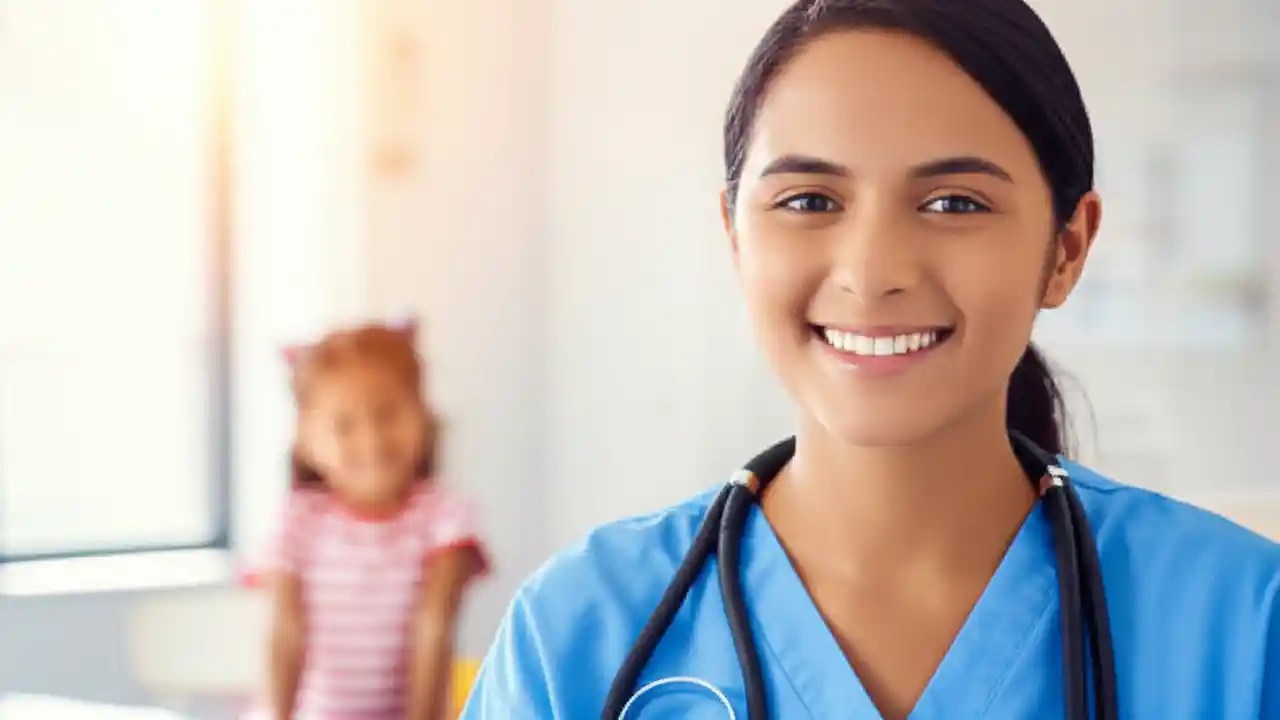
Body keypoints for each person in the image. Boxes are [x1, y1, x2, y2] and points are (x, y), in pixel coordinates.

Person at [462, 1, 1280, 718]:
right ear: (734, 234)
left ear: (1068, 248)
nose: (872, 271)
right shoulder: (578, 635)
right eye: (810, 201)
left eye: (954, 203)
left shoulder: (1244, 626)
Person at [260, 320, 489, 720]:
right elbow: (285, 632)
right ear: (307, 441)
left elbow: (434, 628)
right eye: (344, 424)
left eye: (387, 413)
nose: (371, 438)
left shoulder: (445, 516)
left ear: (423, 414)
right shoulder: (299, 519)